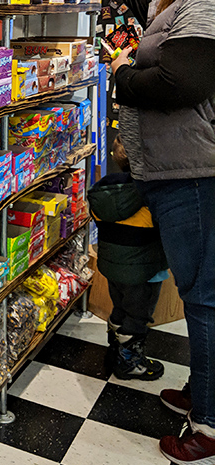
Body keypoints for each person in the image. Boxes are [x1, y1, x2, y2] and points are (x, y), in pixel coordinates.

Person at [82, 0, 215, 465]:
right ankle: (204, 393)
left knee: (204, 298)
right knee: (196, 290)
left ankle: (207, 427)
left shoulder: (207, 5)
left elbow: (175, 83)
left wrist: (119, 75)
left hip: (192, 174)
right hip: (171, 171)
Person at [88, 136, 167, 380]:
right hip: (144, 272)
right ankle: (130, 362)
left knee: (120, 308)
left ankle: (116, 348)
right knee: (138, 316)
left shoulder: (104, 192)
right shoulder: (150, 197)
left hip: (113, 268)